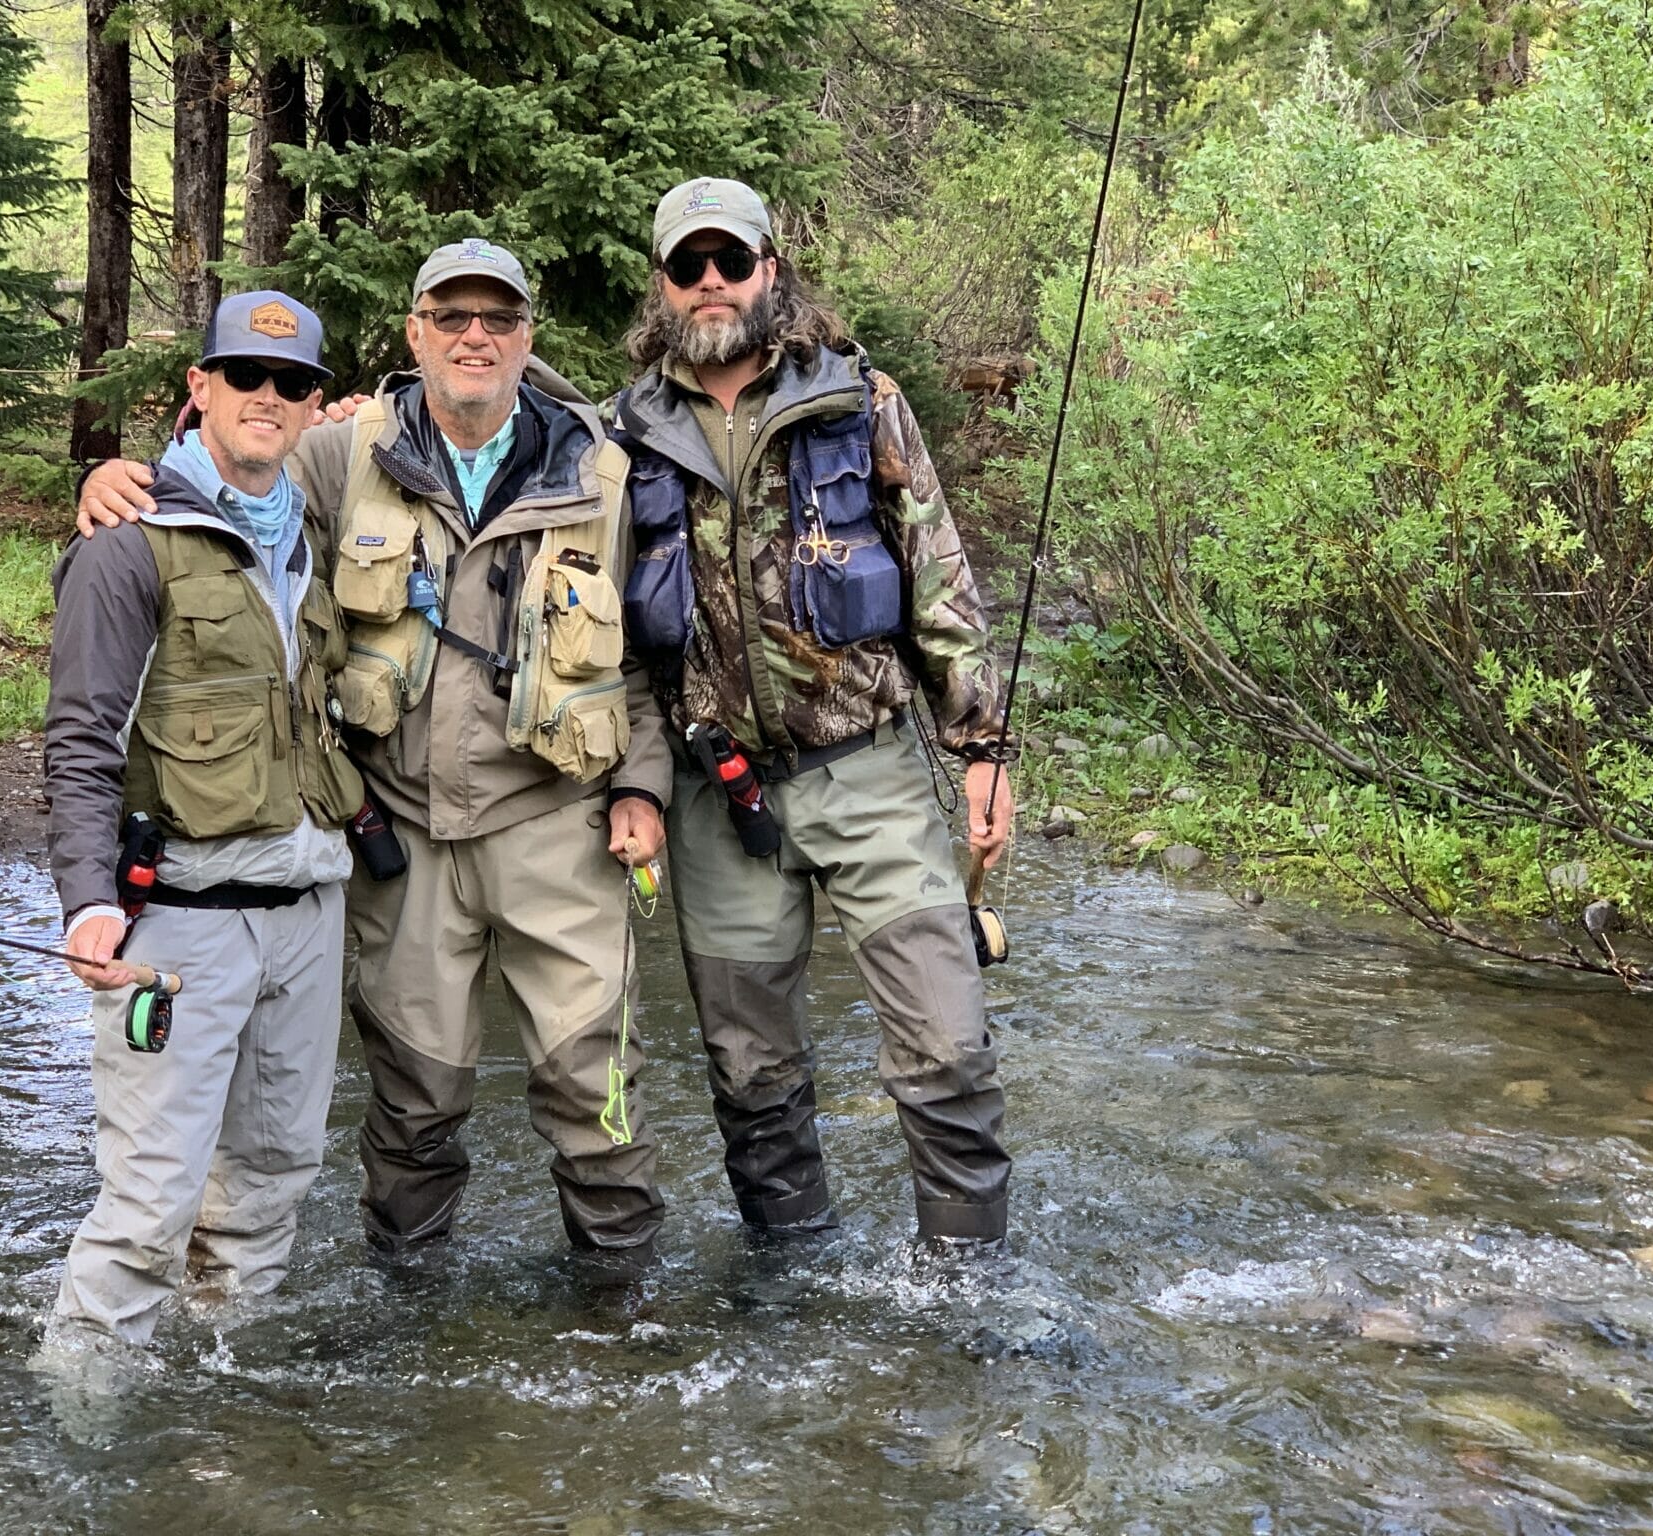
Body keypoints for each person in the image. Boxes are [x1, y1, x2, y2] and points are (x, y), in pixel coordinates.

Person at [77, 241, 672, 1269]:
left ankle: (618, 1298)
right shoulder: (341, 452)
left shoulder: (601, 469)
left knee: (594, 1089)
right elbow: (227, 478)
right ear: (415, 333)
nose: (473, 337)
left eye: (496, 319)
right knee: (413, 1096)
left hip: (557, 826)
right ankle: (408, 1306)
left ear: (527, 339)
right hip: (401, 836)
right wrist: (119, 480)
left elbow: (648, 656)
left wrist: (642, 788)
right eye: (451, 318)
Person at [607, 177, 1016, 1243]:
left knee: (945, 1045)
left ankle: (964, 1289)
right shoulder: (621, 434)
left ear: (768, 273)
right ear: (660, 286)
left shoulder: (861, 400)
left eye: (729, 262)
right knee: (750, 1074)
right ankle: (791, 1288)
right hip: (715, 799)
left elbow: (938, 573)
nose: (709, 283)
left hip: (869, 770)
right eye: (686, 266)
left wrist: (979, 747)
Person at [44, 289, 361, 1343]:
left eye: (292, 383)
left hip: (308, 913)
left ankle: (217, 1401)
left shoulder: (313, 524)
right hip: (178, 927)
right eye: (245, 376)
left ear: (315, 404)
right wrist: (89, 901)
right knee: (148, 1206)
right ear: (200, 388)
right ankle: (79, 1432)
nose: (267, 398)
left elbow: (469, 388)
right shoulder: (124, 541)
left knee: (272, 1179)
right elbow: (82, 738)